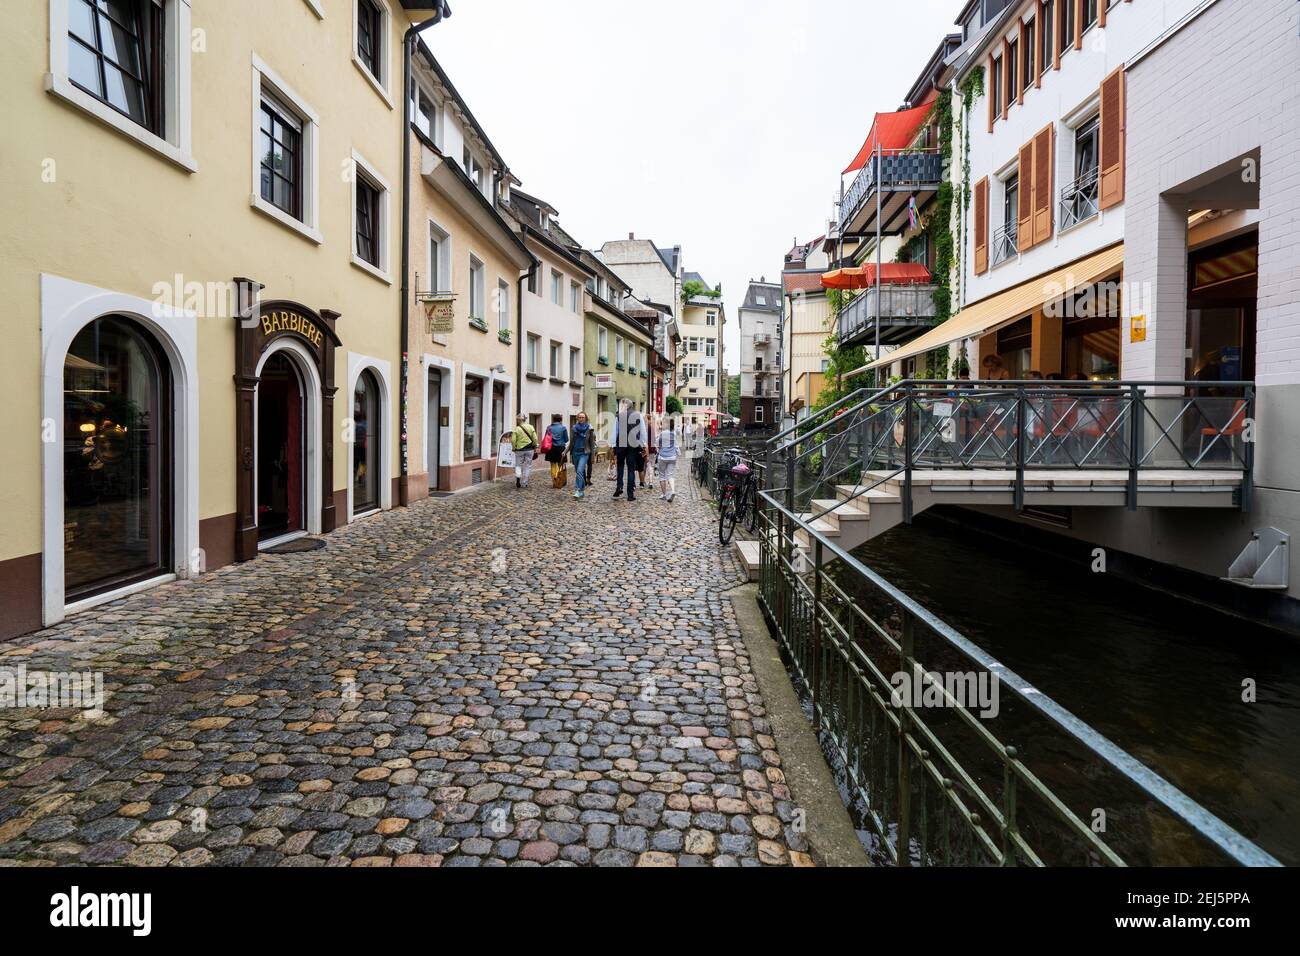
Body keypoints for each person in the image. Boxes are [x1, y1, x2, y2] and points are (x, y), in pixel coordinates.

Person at [612, 399, 644, 502]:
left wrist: (613, 445)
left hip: (621, 444)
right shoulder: (638, 415)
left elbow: (615, 431)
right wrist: (643, 444)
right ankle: (630, 494)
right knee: (631, 469)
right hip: (633, 444)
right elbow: (642, 431)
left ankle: (619, 487)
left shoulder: (619, 416)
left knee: (620, 467)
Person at [570, 411, 595, 500]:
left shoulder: (589, 428)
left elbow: (592, 443)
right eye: (579, 417)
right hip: (575, 452)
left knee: (580, 471)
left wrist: (592, 456)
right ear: (577, 418)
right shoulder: (574, 428)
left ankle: (578, 490)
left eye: (583, 417)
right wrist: (565, 451)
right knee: (578, 472)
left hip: (584, 453)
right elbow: (571, 441)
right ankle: (581, 490)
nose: (581, 419)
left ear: (585, 418)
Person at [509, 414, 539, 489]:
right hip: (529, 449)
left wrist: (514, 448)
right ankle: (525, 483)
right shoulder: (531, 427)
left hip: (519, 450)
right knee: (527, 466)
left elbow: (513, 440)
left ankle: (518, 478)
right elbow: (535, 438)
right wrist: (535, 445)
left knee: (518, 465)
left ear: (519, 420)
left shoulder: (516, 429)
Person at [656, 416, 681, 502]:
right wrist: (678, 454)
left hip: (663, 457)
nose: (662, 424)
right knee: (670, 475)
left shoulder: (662, 434)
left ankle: (664, 495)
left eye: (663, 423)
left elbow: (658, 445)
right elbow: (676, 445)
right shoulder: (673, 433)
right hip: (672, 457)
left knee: (662, 475)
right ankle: (673, 490)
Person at [544, 413, 569, 489]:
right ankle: (560, 480)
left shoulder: (549, 428)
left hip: (551, 448)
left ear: (553, 419)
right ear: (560, 419)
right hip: (561, 448)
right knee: (560, 464)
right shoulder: (563, 428)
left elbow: (546, 438)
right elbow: (566, 439)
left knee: (553, 465)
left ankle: (554, 481)